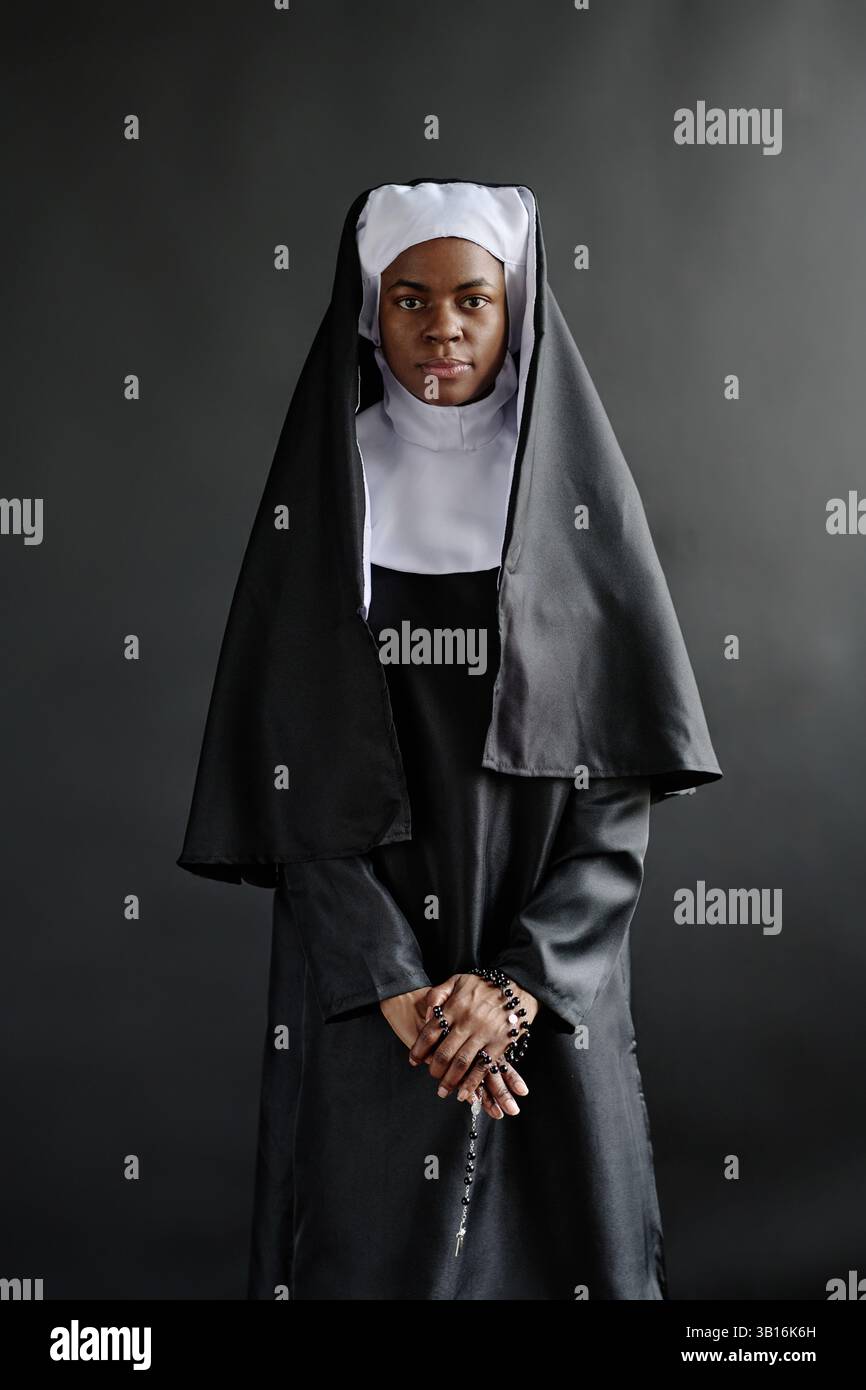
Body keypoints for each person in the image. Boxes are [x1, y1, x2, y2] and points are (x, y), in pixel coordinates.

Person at [177, 178, 723, 1300]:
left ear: (514, 307)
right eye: (409, 300)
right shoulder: (328, 502)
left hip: (542, 977)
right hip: (369, 984)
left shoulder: (572, 502)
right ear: (368, 312)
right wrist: (399, 987)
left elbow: (611, 793)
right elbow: (290, 780)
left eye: (473, 299)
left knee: (564, 1249)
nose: (442, 329)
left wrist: (513, 990)